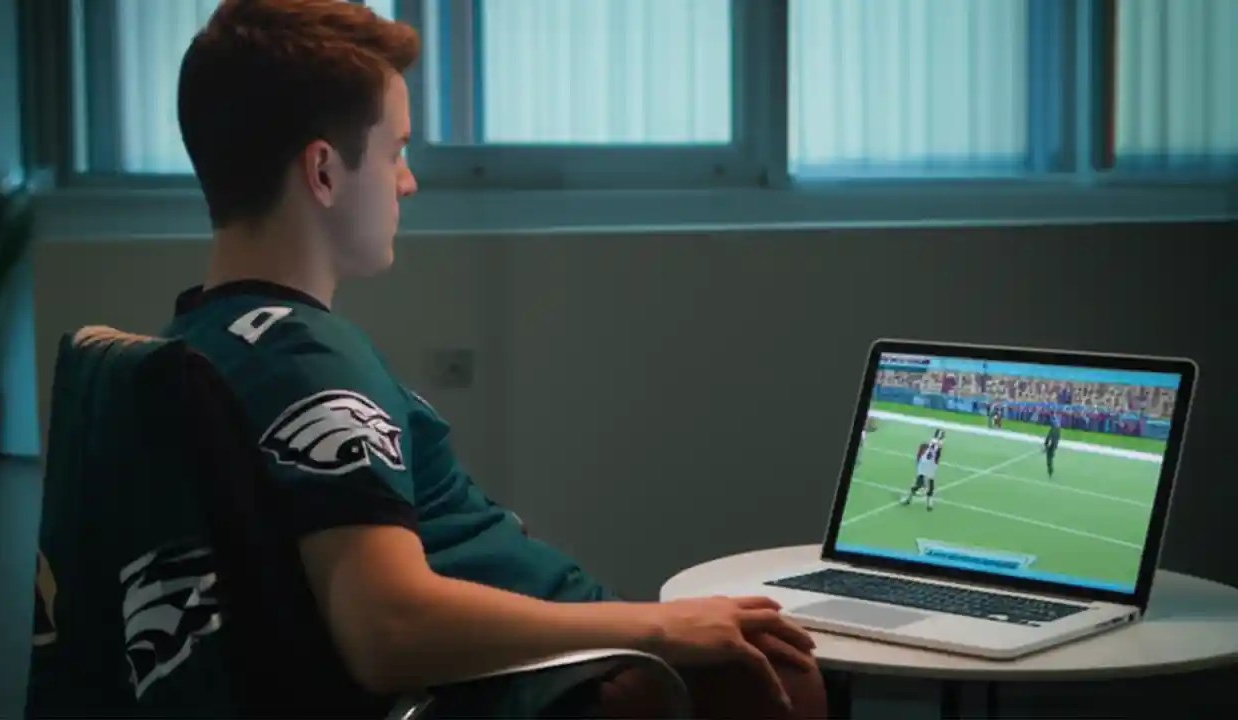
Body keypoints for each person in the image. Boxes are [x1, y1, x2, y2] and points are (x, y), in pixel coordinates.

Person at [162, 1, 826, 717]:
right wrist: (665, 626)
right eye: (396, 152)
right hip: (560, 687)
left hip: (550, 659)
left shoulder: (199, 336)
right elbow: (387, 629)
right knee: (779, 671)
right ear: (323, 172)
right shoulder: (309, 360)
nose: (407, 181)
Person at [902, 428, 944, 511]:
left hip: (924, 466)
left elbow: (921, 455)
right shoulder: (936, 449)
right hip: (930, 467)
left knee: (918, 485)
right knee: (929, 486)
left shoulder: (927, 446)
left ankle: (909, 499)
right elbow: (937, 454)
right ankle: (929, 505)